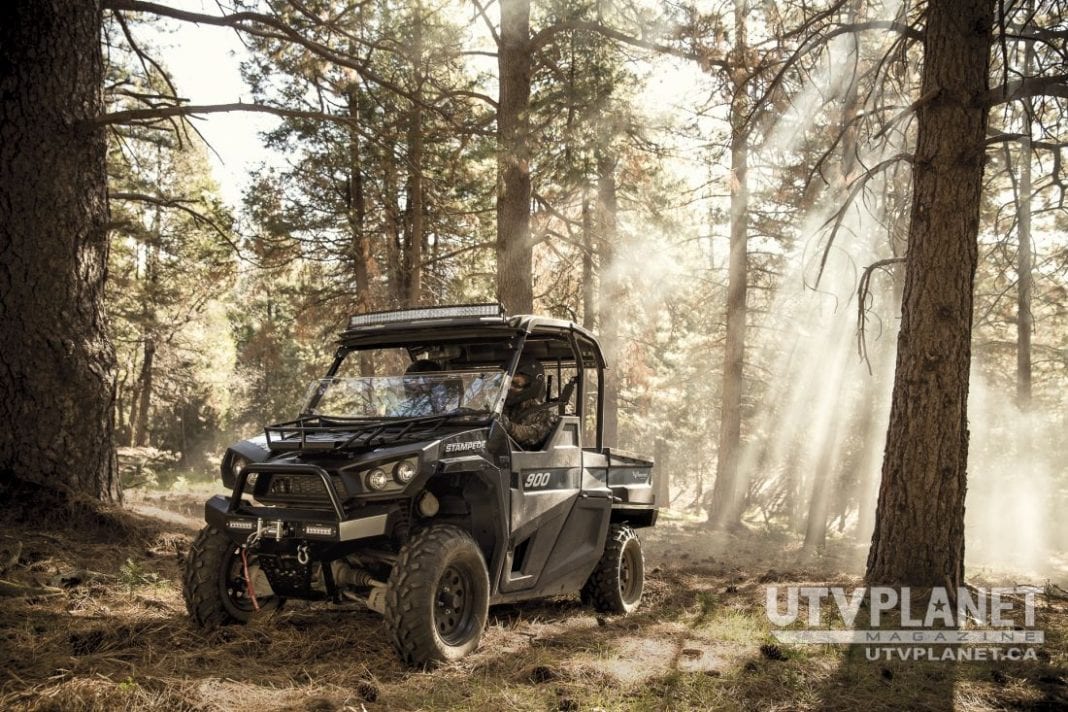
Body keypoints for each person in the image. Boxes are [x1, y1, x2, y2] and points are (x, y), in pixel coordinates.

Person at [500, 358, 559, 449]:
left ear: (532, 386)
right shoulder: (504, 407)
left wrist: (509, 427)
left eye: (516, 384)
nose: (509, 388)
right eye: (507, 384)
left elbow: (534, 434)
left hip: (529, 461)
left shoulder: (546, 415)